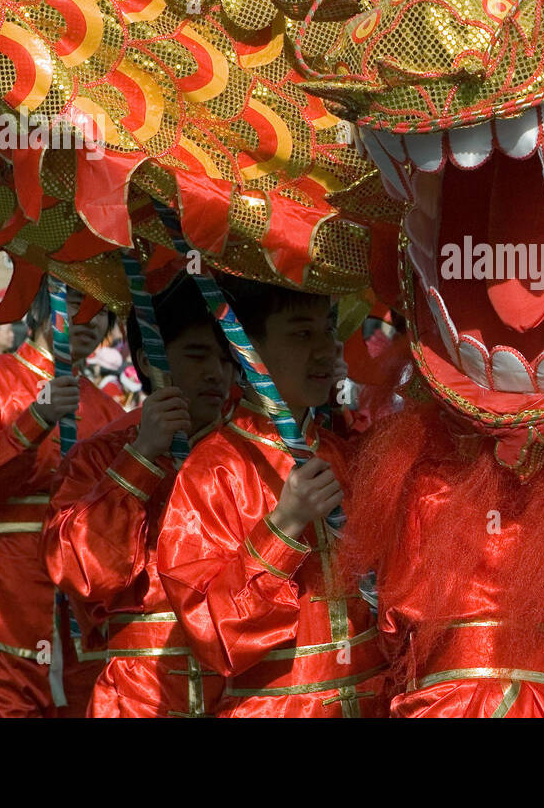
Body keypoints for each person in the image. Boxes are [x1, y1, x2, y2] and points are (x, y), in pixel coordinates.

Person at [156, 277, 388, 717]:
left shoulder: (347, 456)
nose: (325, 349)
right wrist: (285, 526)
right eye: (302, 333)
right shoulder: (214, 470)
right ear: (249, 347)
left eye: (327, 331)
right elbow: (212, 634)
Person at [0, 281, 125, 717]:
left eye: (102, 310)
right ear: (40, 308)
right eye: (76, 302)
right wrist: (36, 419)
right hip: (0, 591)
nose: (90, 320)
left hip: (83, 599)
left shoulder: (110, 410)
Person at [44, 276, 236, 717]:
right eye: (196, 354)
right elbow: (80, 573)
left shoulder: (250, 454)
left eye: (227, 359)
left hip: (240, 692)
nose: (215, 373)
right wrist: (142, 457)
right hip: (138, 695)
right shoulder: (100, 454)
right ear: (149, 361)